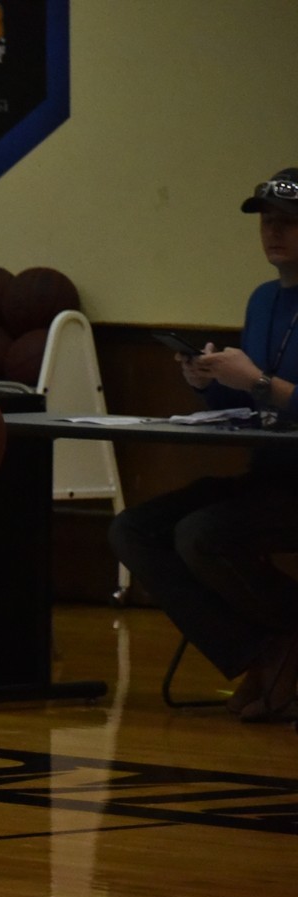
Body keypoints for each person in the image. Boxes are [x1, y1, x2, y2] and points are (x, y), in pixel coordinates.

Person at [109, 167, 298, 725]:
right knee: (132, 529)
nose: (273, 232)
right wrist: (206, 379)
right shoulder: (264, 300)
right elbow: (250, 401)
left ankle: (285, 639)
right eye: (266, 221)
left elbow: (268, 389)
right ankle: (260, 651)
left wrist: (259, 382)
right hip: (267, 474)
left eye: (288, 222)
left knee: (202, 534)